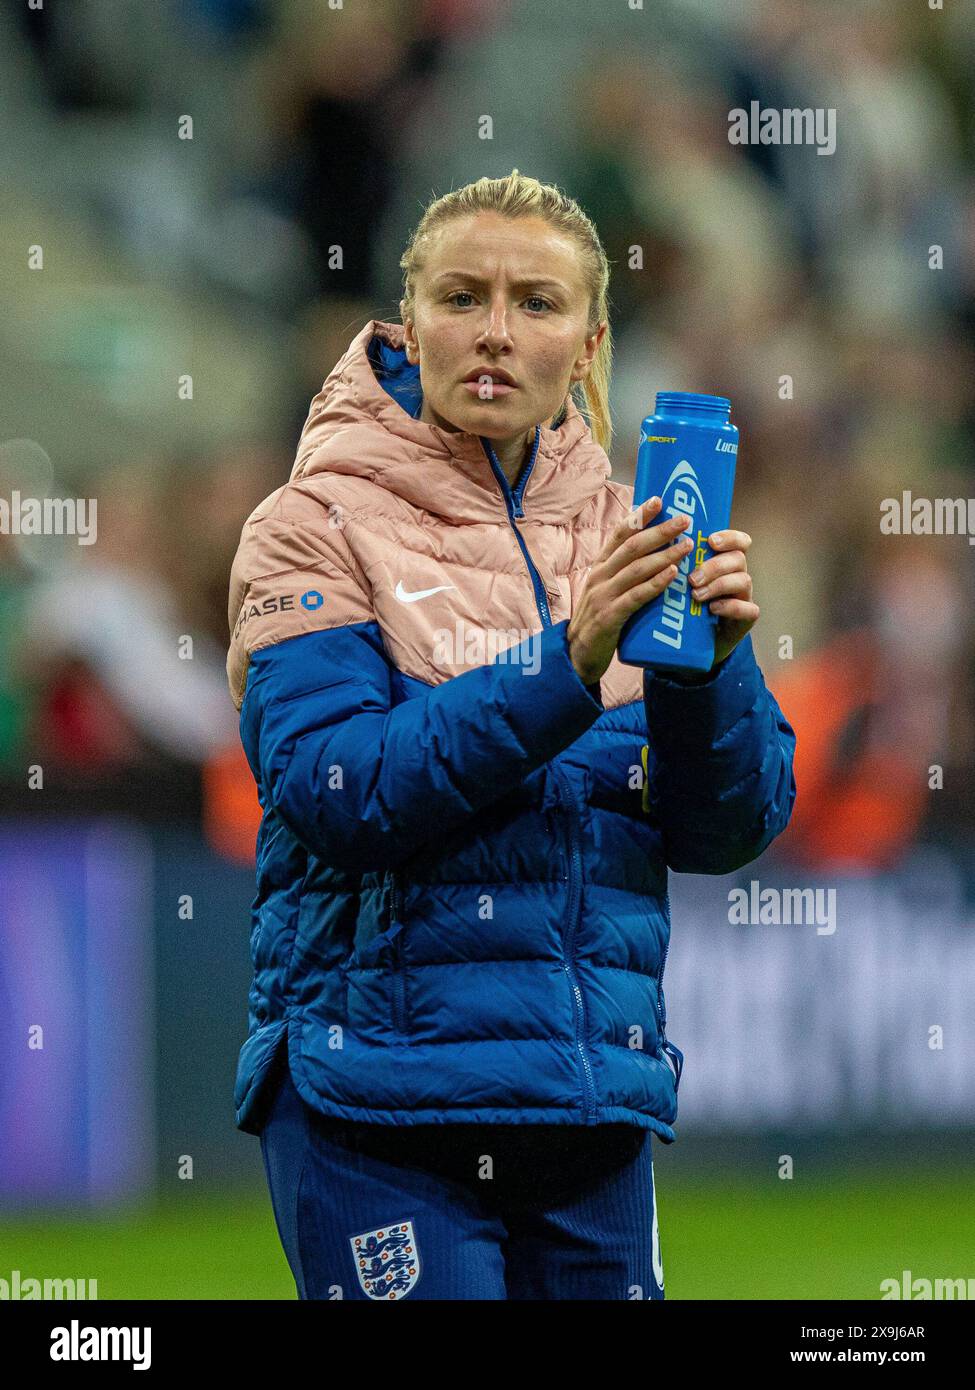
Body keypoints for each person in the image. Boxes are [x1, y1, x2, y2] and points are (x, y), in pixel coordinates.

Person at [225, 170, 797, 1301]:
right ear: (408, 321)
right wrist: (568, 662)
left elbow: (728, 826)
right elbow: (340, 789)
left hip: (587, 1103)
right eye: (462, 295)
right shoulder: (312, 523)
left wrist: (714, 669)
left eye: (536, 304)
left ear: (588, 344)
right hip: (374, 1093)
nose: (494, 331)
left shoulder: (636, 531)